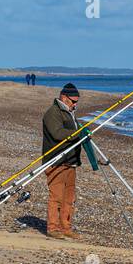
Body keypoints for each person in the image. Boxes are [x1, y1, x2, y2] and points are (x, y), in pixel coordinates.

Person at [41, 82, 83, 239]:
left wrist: (82, 133)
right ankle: (53, 228)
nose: (75, 104)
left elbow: (73, 133)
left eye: (77, 101)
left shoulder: (70, 112)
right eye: (73, 101)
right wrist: (77, 133)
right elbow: (57, 133)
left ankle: (66, 227)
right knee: (56, 196)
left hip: (71, 161)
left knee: (69, 197)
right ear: (63, 97)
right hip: (56, 161)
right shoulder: (53, 113)